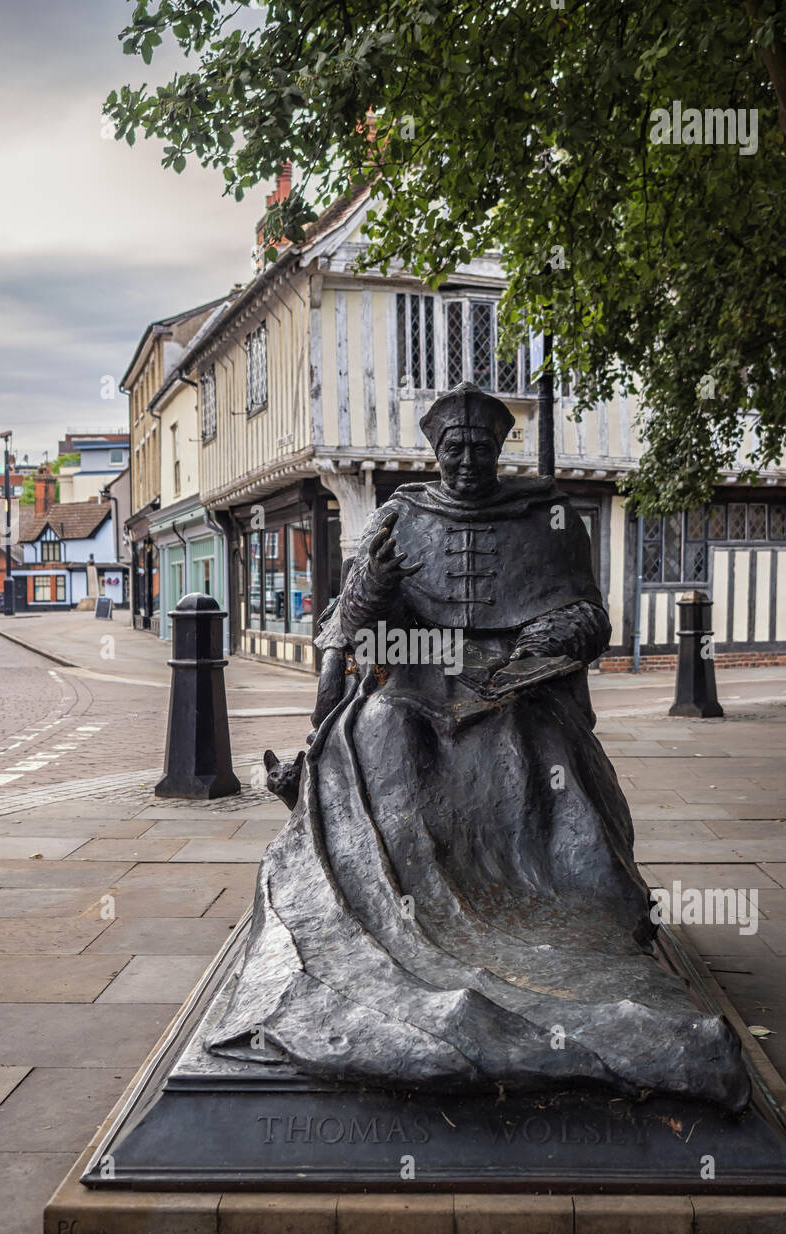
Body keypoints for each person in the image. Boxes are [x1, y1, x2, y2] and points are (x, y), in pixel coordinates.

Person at [216, 382, 749, 1111]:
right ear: (435, 451)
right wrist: (371, 584)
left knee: (538, 752)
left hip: (517, 685)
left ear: (500, 449)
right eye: (452, 447)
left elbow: (587, 614)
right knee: (382, 734)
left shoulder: (547, 517)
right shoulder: (399, 516)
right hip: (413, 677)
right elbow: (350, 629)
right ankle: (403, 914)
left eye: (480, 447)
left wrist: (557, 637)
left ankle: (569, 916)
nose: (466, 459)